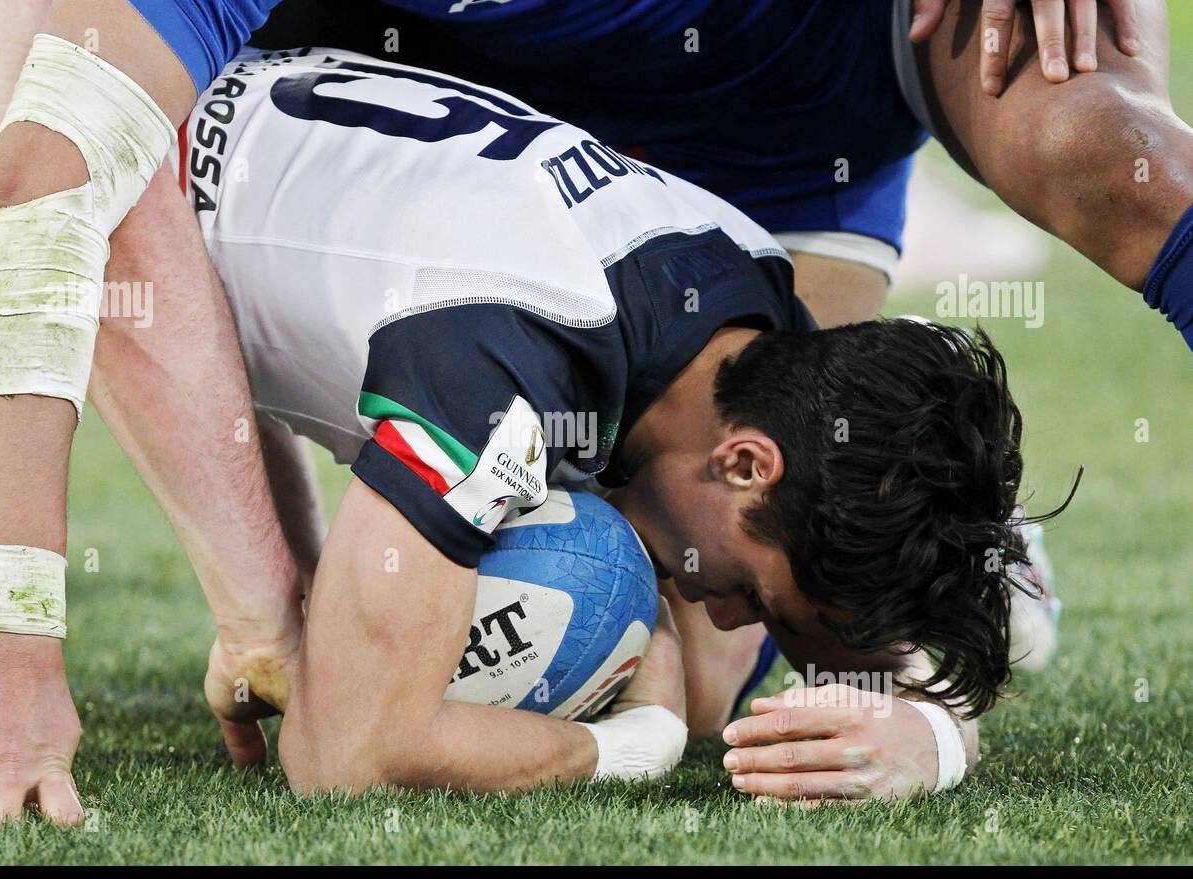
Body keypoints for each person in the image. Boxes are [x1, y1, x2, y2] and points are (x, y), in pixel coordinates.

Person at [123, 47, 1023, 795]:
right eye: (748, 593)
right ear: (745, 465)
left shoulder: (754, 307)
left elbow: (811, 643)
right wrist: (625, 748)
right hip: (57, 197)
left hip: (236, 132)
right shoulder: (503, 355)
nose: (721, 619)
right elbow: (341, 759)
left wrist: (939, 741)